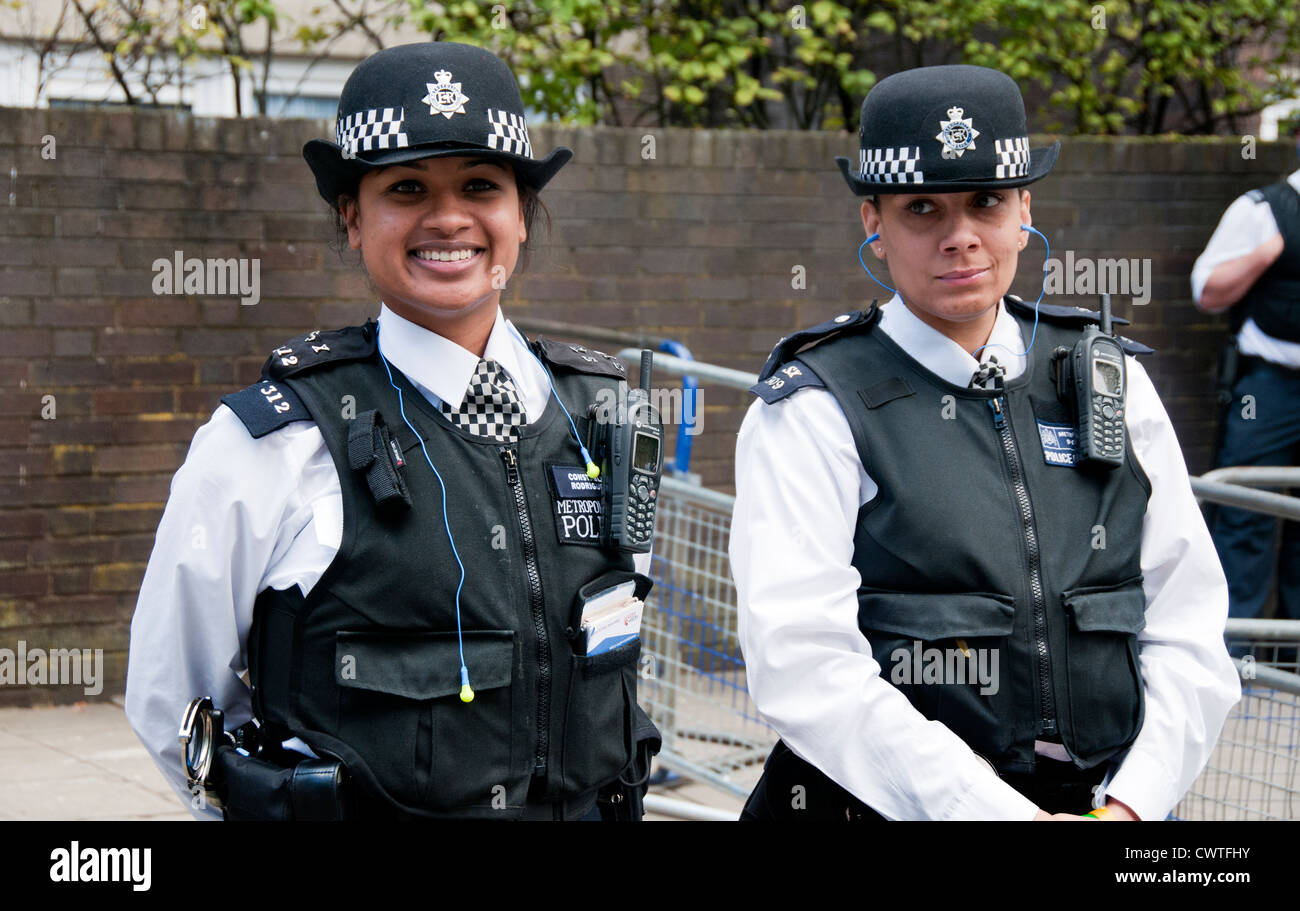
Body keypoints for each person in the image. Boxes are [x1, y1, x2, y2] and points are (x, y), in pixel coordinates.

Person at [125, 41, 658, 821]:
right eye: (406, 188)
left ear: (520, 217)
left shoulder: (605, 417)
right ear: (352, 217)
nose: (448, 218)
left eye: (480, 185)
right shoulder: (274, 444)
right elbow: (172, 700)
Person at [730, 64, 1240, 821]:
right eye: (923, 208)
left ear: (1024, 206)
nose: (959, 236)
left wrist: (1129, 807)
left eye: (987, 201)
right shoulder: (816, 405)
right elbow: (803, 663)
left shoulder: (1107, 378)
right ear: (873, 220)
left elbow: (1189, 621)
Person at [1191, 123, 1300, 625]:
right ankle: (1233, 656)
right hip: (1270, 385)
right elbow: (1207, 291)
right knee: (1246, 511)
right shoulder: (1261, 209)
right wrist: (1265, 254)